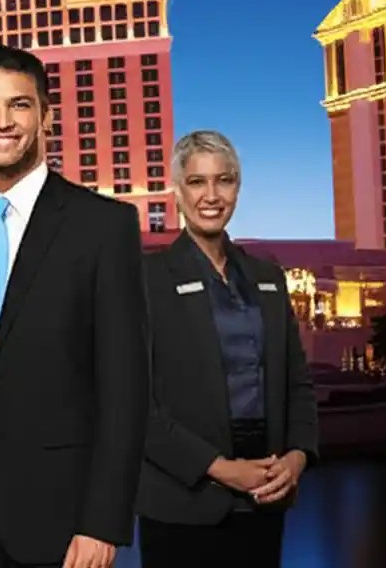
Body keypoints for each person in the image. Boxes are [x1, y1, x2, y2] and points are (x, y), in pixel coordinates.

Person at [0, 45, 148, 568]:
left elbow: (125, 387)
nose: (2, 121)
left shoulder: (103, 227)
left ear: (45, 116)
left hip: (63, 524)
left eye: (19, 105)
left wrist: (102, 523)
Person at [136, 130, 318, 568]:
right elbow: (134, 404)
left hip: (265, 493)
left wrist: (297, 457)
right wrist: (219, 467)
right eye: (197, 182)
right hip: (182, 502)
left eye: (225, 180)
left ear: (238, 188)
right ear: (177, 191)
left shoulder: (267, 277)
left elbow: (297, 381)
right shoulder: (145, 278)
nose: (211, 195)